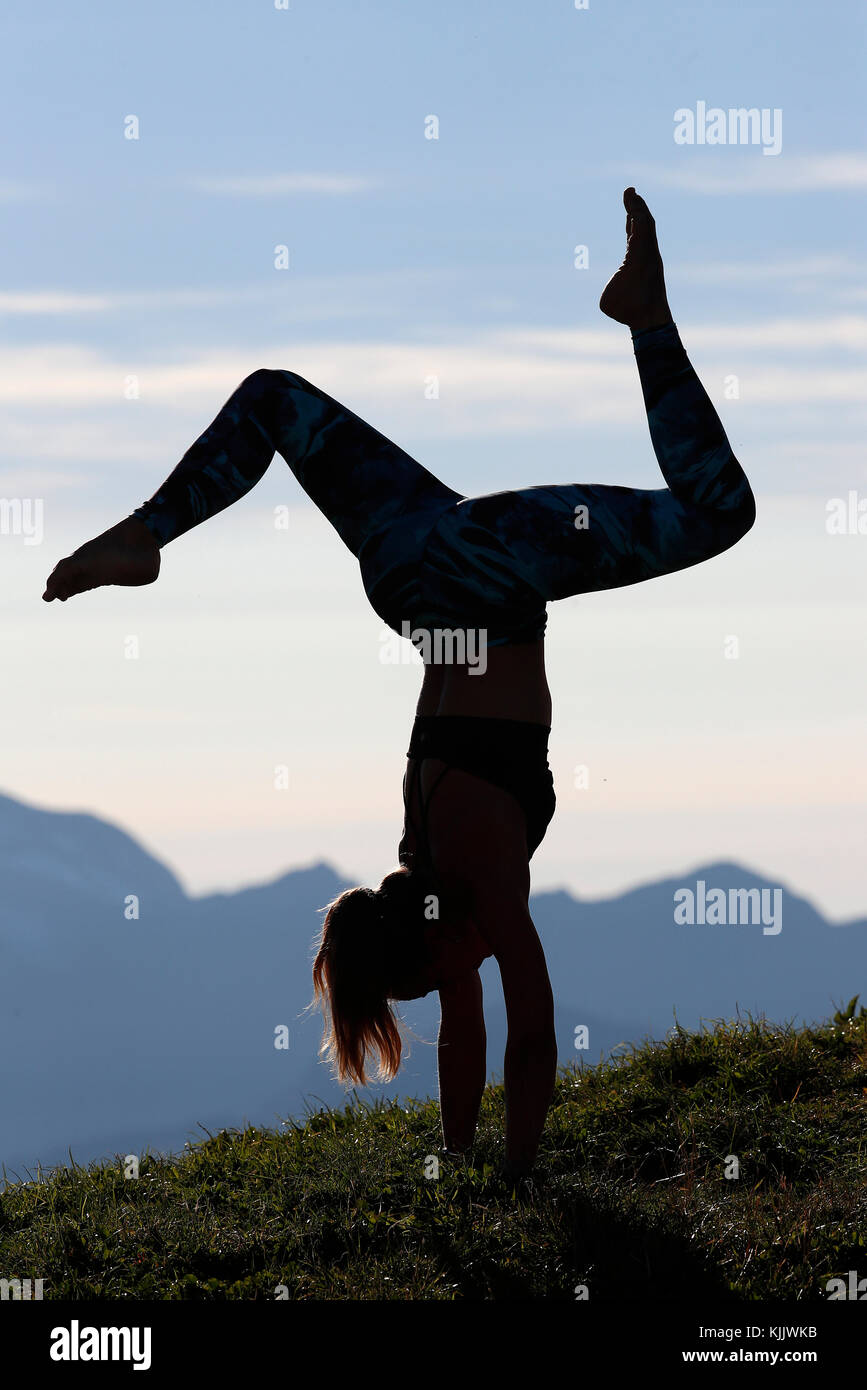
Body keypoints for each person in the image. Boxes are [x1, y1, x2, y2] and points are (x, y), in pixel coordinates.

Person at [43, 189, 756, 1180]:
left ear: (429, 945)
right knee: (274, 397)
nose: (465, 981)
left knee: (720, 514)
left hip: (486, 571)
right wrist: (461, 1160)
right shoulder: (427, 874)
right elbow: (470, 1028)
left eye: (439, 978)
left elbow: (535, 1030)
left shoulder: (476, 870)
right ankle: (143, 534)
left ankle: (645, 317)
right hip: (408, 565)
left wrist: (515, 1180)